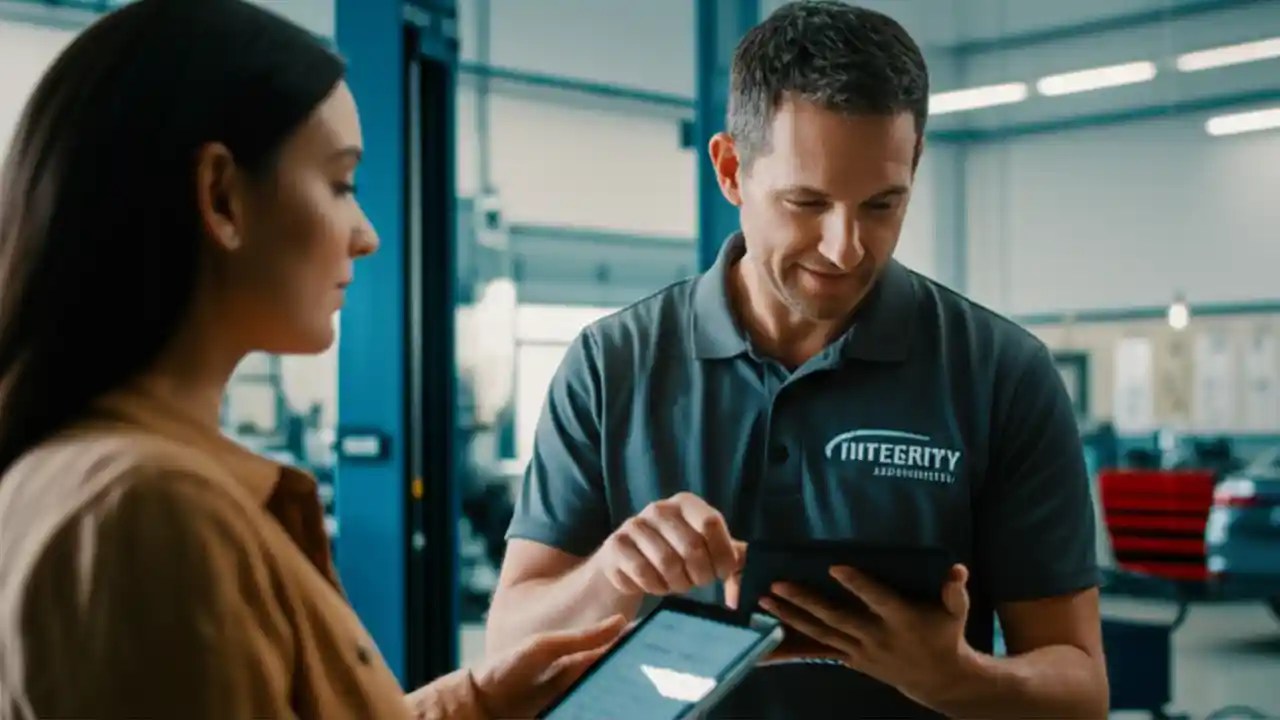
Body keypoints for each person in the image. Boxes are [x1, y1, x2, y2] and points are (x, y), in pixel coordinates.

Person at [0, 1, 623, 718]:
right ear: (222, 197)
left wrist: (477, 703)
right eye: (340, 184)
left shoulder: (102, 480)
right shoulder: (150, 514)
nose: (366, 237)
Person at [485, 2, 1109, 718]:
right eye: (806, 202)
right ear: (729, 170)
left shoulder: (1003, 375)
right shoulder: (611, 365)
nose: (845, 247)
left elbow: (1081, 692)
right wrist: (610, 576)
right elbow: (506, 646)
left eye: (882, 205)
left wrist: (952, 675)